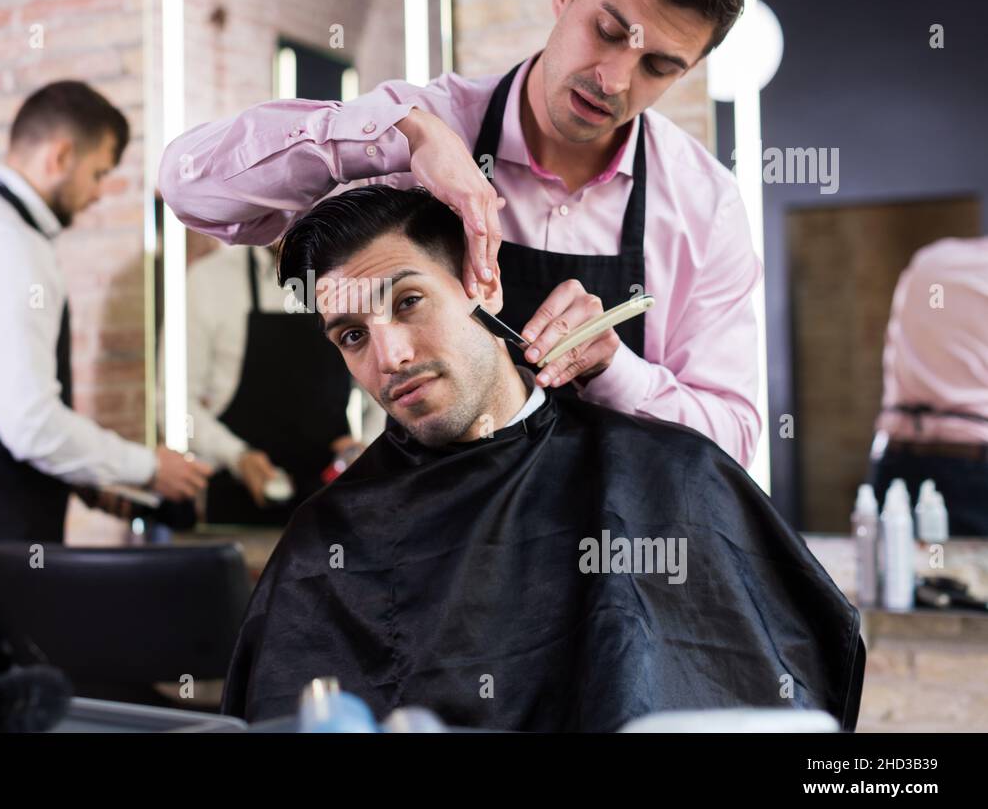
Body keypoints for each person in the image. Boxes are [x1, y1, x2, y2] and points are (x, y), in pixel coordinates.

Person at [221, 186, 863, 732]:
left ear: (483, 283)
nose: (388, 357)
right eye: (353, 336)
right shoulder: (326, 539)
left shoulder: (669, 474)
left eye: (408, 301)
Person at [160, 0, 762, 466]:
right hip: (443, 548)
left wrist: (615, 369)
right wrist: (403, 138)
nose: (614, 79)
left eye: (657, 66)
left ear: (691, 70)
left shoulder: (702, 204)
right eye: (606, 31)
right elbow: (191, 185)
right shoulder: (421, 127)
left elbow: (732, 443)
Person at [0, 80, 211, 682]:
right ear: (59, 156)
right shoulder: (8, 241)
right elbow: (28, 421)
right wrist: (147, 467)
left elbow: (8, 414)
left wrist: (90, 480)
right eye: (98, 172)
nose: (97, 195)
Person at [178, 242, 383, 525]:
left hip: (332, 500)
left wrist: (365, 449)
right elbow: (178, 404)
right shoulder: (209, 280)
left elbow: (382, 388)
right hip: (238, 505)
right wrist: (236, 456)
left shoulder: (353, 277)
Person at [870, 236, 988, 536]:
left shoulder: (931, 260)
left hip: (897, 459)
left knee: (890, 575)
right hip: (974, 470)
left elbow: (893, 346)